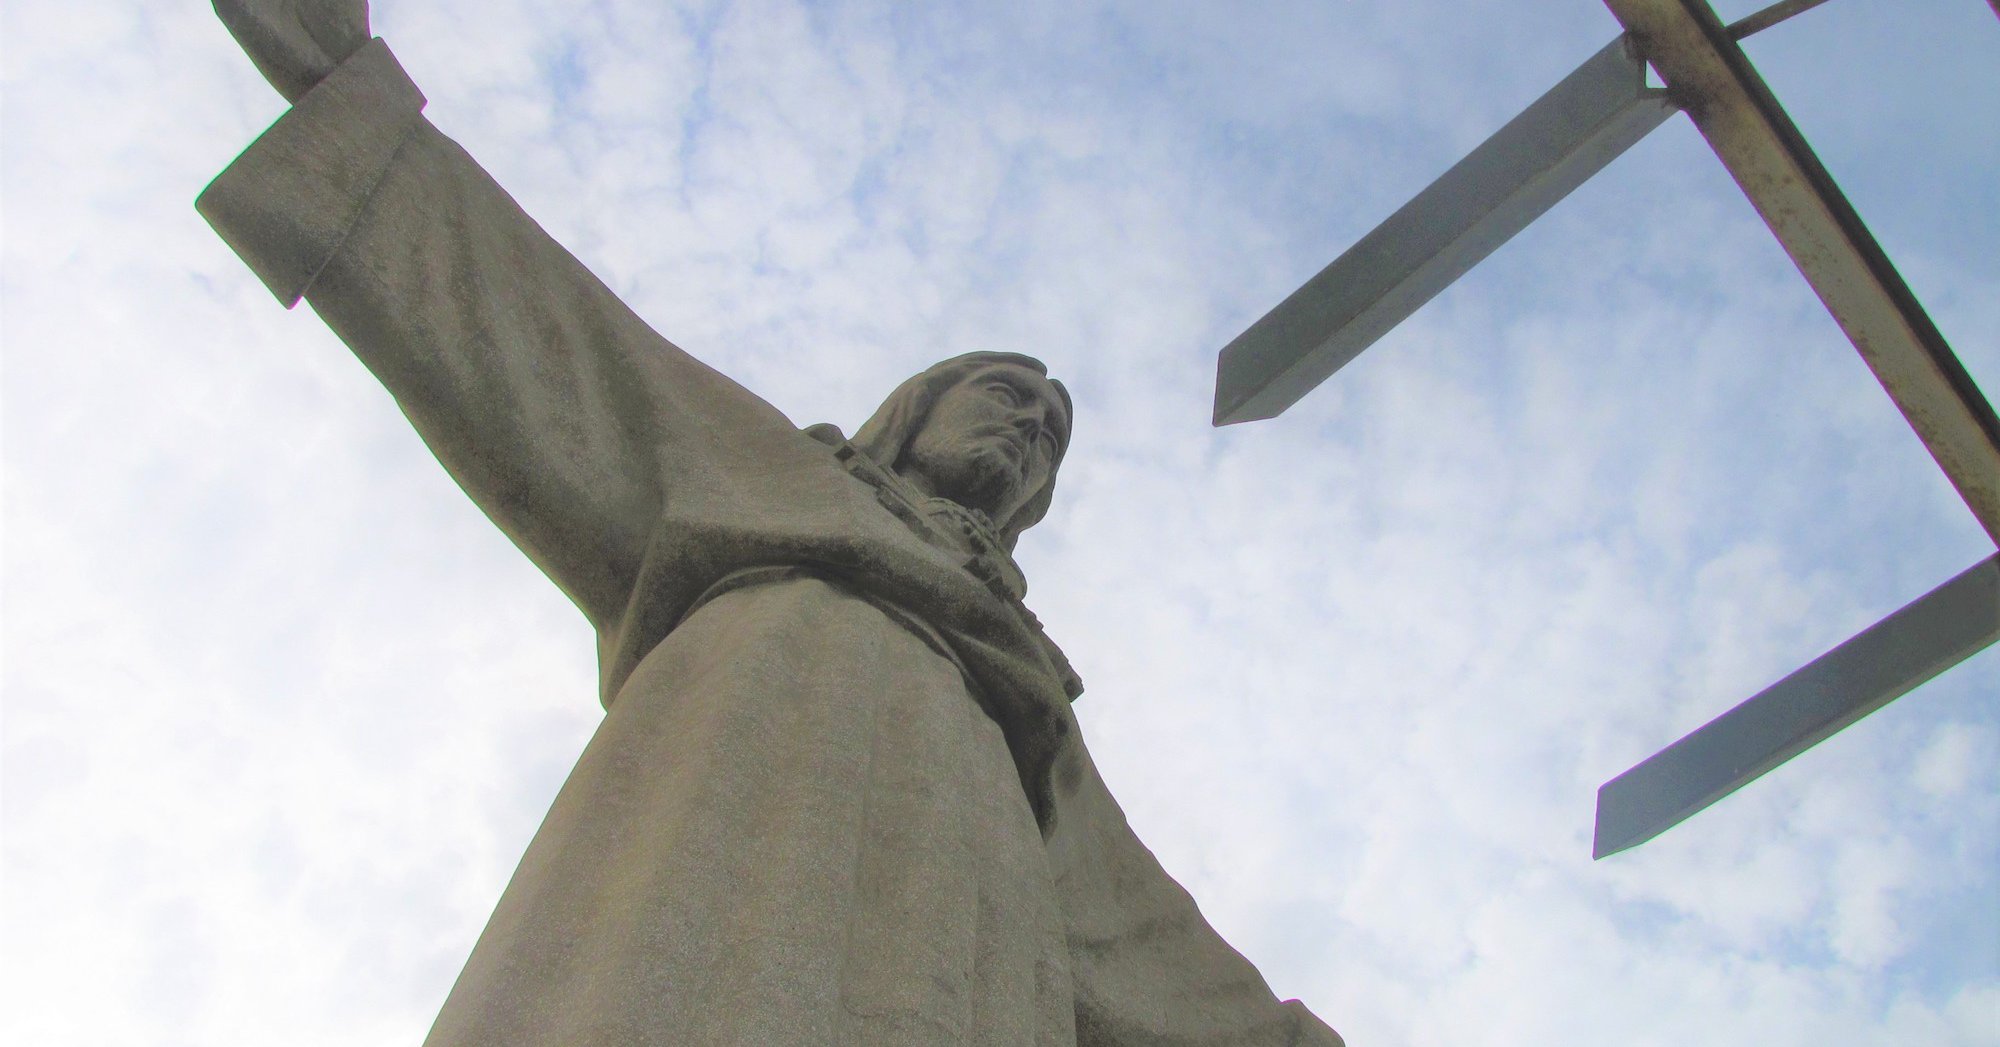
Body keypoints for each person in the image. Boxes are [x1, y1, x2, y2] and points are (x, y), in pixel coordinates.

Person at [200, 2, 1345, 1044]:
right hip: (745, 767)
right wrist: (349, 96)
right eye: (1005, 397)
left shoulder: (1025, 704)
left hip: (969, 918)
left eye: (1048, 435)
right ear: (912, 410)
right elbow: (559, 342)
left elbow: (1136, 932)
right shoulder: (767, 475)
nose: (1029, 432)